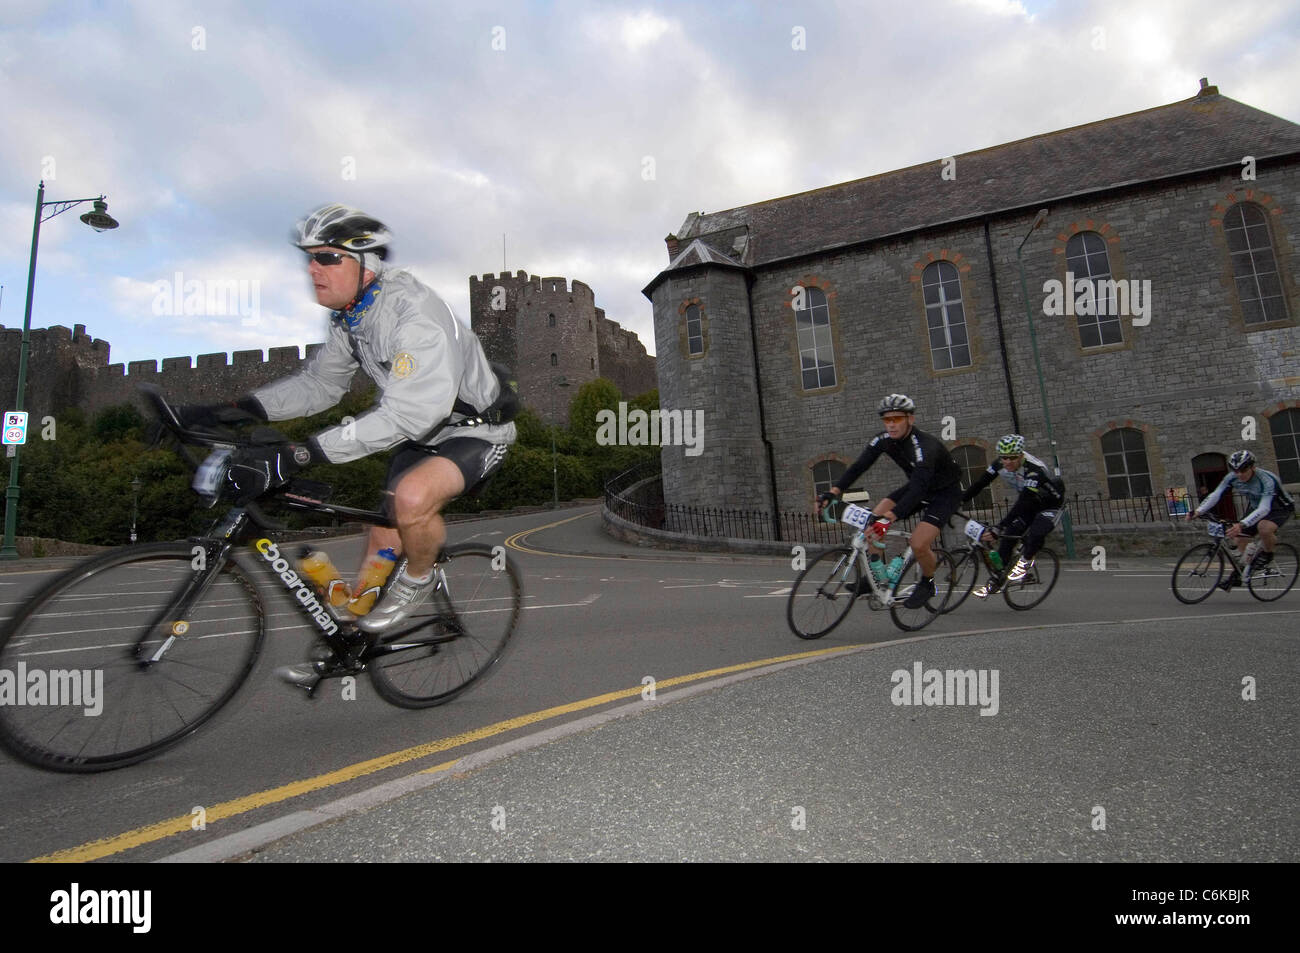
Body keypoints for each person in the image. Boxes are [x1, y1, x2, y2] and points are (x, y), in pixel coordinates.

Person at [175, 204, 517, 684]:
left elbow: (411, 412)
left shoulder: (416, 315)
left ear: (367, 265)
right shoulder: (351, 317)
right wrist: (236, 409)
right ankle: (350, 645)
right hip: (420, 433)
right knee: (381, 540)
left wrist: (302, 453)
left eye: (328, 258)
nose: (313, 269)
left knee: (411, 499)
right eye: (310, 258)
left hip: (476, 430)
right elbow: (320, 385)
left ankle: (418, 579)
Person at [817, 394, 962, 609]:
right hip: (916, 487)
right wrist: (833, 492)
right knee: (872, 522)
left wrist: (890, 517)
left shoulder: (924, 447)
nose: (891, 425)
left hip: (944, 493)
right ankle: (876, 578)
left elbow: (919, 489)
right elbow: (859, 467)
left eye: (897, 419)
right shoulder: (883, 440)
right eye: (887, 420)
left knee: (918, 543)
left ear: (910, 419)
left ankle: (928, 582)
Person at [960, 434, 1066, 597]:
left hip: (1050, 504)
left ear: (1021, 455)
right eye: (1004, 458)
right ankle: (999, 578)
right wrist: (959, 501)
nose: (1008, 462)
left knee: (1036, 533)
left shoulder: (1034, 470)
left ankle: (1025, 563)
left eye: (1012, 457)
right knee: (1008, 536)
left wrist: (999, 526)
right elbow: (980, 484)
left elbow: (1023, 501)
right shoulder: (999, 464)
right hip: (1031, 503)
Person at [1186, 449, 1295, 591]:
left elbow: (1265, 508)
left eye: (1243, 470)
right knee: (1239, 538)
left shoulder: (1267, 480)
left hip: (1278, 507)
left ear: (1252, 467)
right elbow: (1216, 494)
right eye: (1235, 470)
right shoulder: (1232, 477)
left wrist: (1242, 524)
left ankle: (1267, 555)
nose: (1239, 474)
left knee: (1264, 528)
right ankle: (1242, 571)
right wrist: (1198, 511)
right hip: (1256, 506)